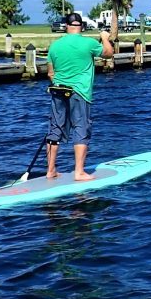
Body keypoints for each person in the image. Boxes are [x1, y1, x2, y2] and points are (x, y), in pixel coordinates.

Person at [45, 12, 114, 181]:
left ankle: (51, 170)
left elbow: (50, 73)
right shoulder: (89, 43)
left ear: (66, 26)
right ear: (81, 27)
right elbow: (108, 53)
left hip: (58, 90)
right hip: (80, 92)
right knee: (81, 127)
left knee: (55, 129)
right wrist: (104, 37)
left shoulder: (54, 46)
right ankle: (79, 172)